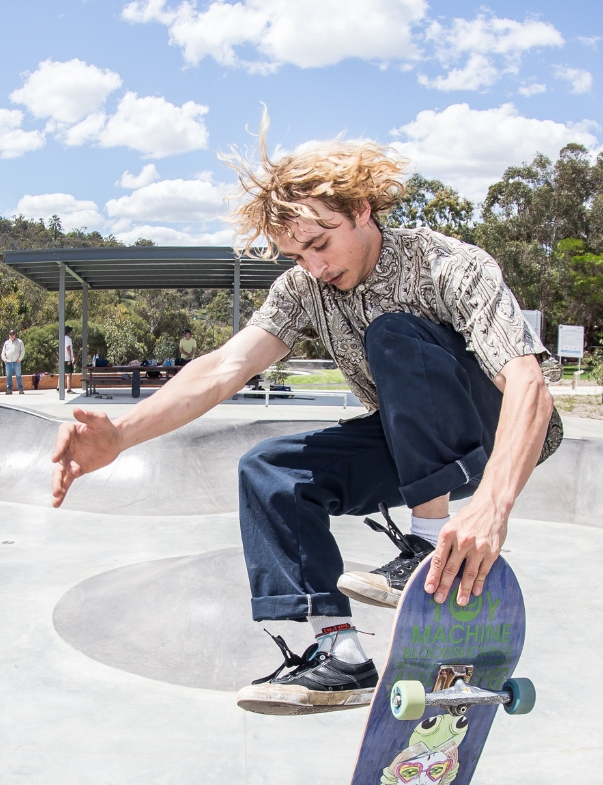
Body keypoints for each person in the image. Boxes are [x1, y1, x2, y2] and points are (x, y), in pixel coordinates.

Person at [50, 128, 559, 716]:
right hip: (412, 442)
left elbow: (530, 387)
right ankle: (340, 655)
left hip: (496, 430)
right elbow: (226, 367)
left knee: (393, 334)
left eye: (321, 243)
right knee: (270, 472)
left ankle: (424, 540)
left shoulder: (446, 264)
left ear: (361, 210)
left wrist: (492, 506)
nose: (315, 267)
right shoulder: (301, 290)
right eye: (297, 256)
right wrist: (121, 434)